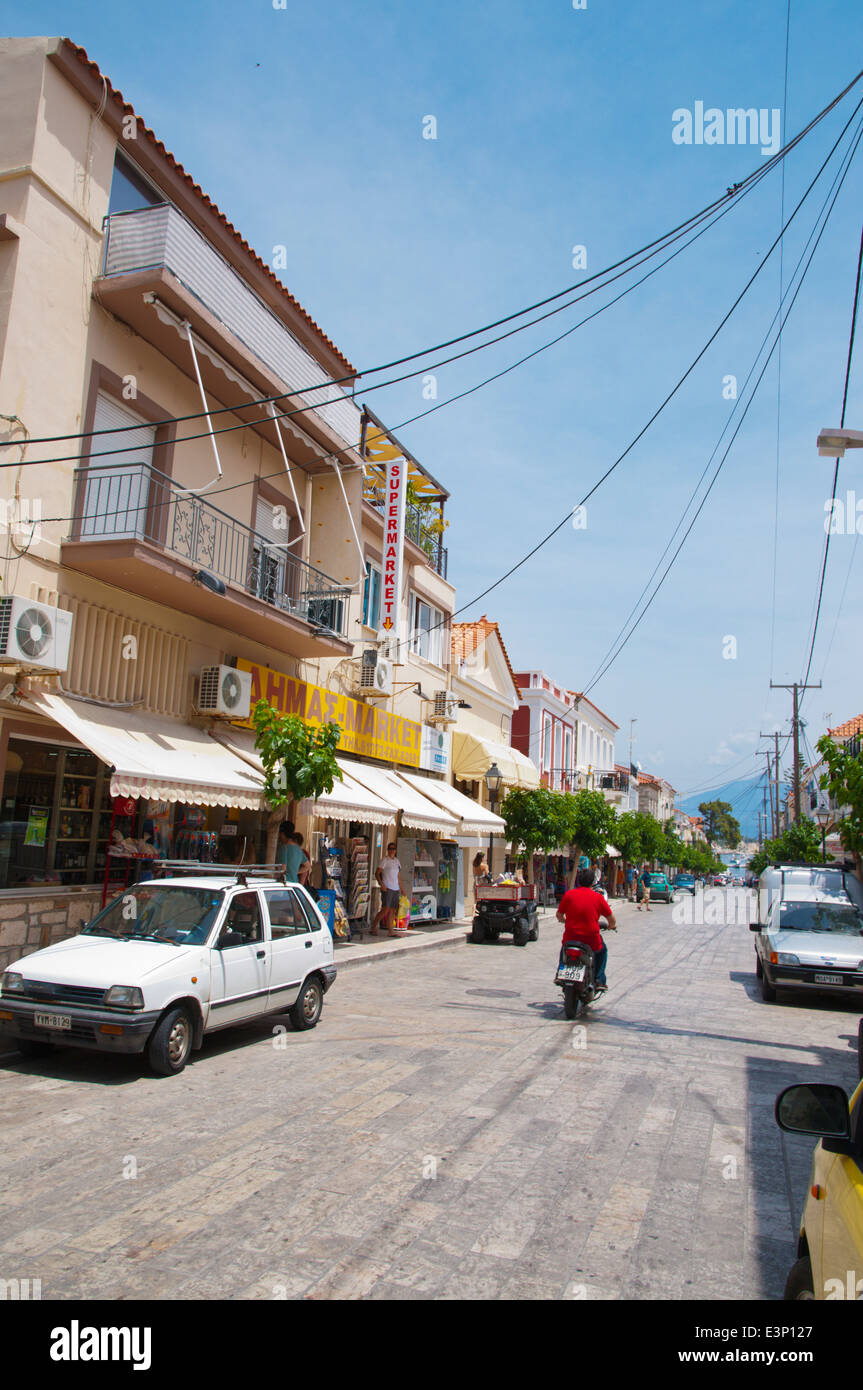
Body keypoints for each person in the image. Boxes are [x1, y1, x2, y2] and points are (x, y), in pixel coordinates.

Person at [556, 866, 617, 991]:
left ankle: (560, 972)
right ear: (592, 882)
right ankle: (599, 980)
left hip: (571, 937)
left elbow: (559, 915)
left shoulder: (569, 895)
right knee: (602, 951)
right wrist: (612, 926)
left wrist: (565, 921)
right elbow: (612, 919)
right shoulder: (598, 897)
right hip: (591, 939)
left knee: (564, 950)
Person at [372, 842, 404, 936]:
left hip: (395, 888)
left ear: (395, 850)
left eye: (393, 848)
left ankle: (391, 931)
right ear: (388, 850)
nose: (392, 850)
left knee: (393, 910)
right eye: (390, 848)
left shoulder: (397, 861)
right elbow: (377, 873)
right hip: (387, 887)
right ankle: (373, 927)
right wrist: (381, 885)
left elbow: (398, 876)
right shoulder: (384, 860)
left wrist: (402, 889)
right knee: (385, 909)